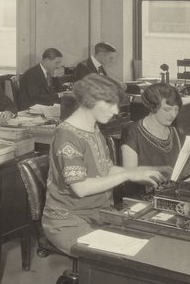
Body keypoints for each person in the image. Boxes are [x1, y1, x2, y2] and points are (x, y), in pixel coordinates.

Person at [42, 74, 163, 255]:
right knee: (130, 256)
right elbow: (80, 188)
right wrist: (126, 175)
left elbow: (105, 168)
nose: (115, 111)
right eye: (110, 104)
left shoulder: (93, 128)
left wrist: (136, 171)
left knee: (152, 241)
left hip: (98, 214)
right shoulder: (67, 135)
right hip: (68, 222)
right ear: (90, 101)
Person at [121, 83, 185, 169]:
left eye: (176, 109)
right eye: (167, 109)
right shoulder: (132, 132)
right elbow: (130, 172)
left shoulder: (176, 133)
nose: (173, 115)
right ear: (153, 107)